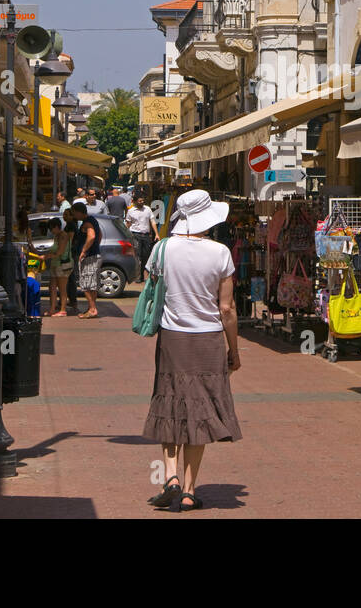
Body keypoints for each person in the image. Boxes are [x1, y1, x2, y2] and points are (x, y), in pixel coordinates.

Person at [143, 189, 241, 513]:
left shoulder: (162, 248)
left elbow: (154, 287)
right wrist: (234, 350)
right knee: (198, 414)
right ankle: (188, 490)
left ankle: (169, 475)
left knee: (170, 403)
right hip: (209, 340)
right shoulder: (220, 253)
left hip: (173, 338)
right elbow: (226, 309)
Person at [74, 202, 103, 318]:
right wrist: (96, 246)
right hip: (95, 255)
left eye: (74, 213)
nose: (74, 215)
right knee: (92, 284)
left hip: (89, 257)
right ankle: (92, 307)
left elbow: (92, 236)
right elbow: (99, 234)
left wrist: (84, 251)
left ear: (79, 212)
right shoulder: (93, 220)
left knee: (85, 284)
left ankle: (92, 309)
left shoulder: (87, 223)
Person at [44, 215, 73, 317]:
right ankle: (52, 309)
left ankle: (63, 310)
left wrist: (47, 256)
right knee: (52, 286)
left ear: (57, 227)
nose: (51, 231)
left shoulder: (63, 235)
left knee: (62, 288)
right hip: (55, 264)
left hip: (62, 265)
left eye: (52, 229)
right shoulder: (57, 236)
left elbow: (60, 252)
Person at [125, 192, 158, 271]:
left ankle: (143, 271)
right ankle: (139, 274)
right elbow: (128, 224)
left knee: (146, 255)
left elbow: (152, 221)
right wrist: (125, 233)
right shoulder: (130, 211)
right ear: (135, 201)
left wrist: (157, 234)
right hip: (135, 235)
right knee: (138, 254)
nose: (142, 202)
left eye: (143, 201)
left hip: (146, 236)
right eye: (140, 201)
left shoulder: (147, 209)